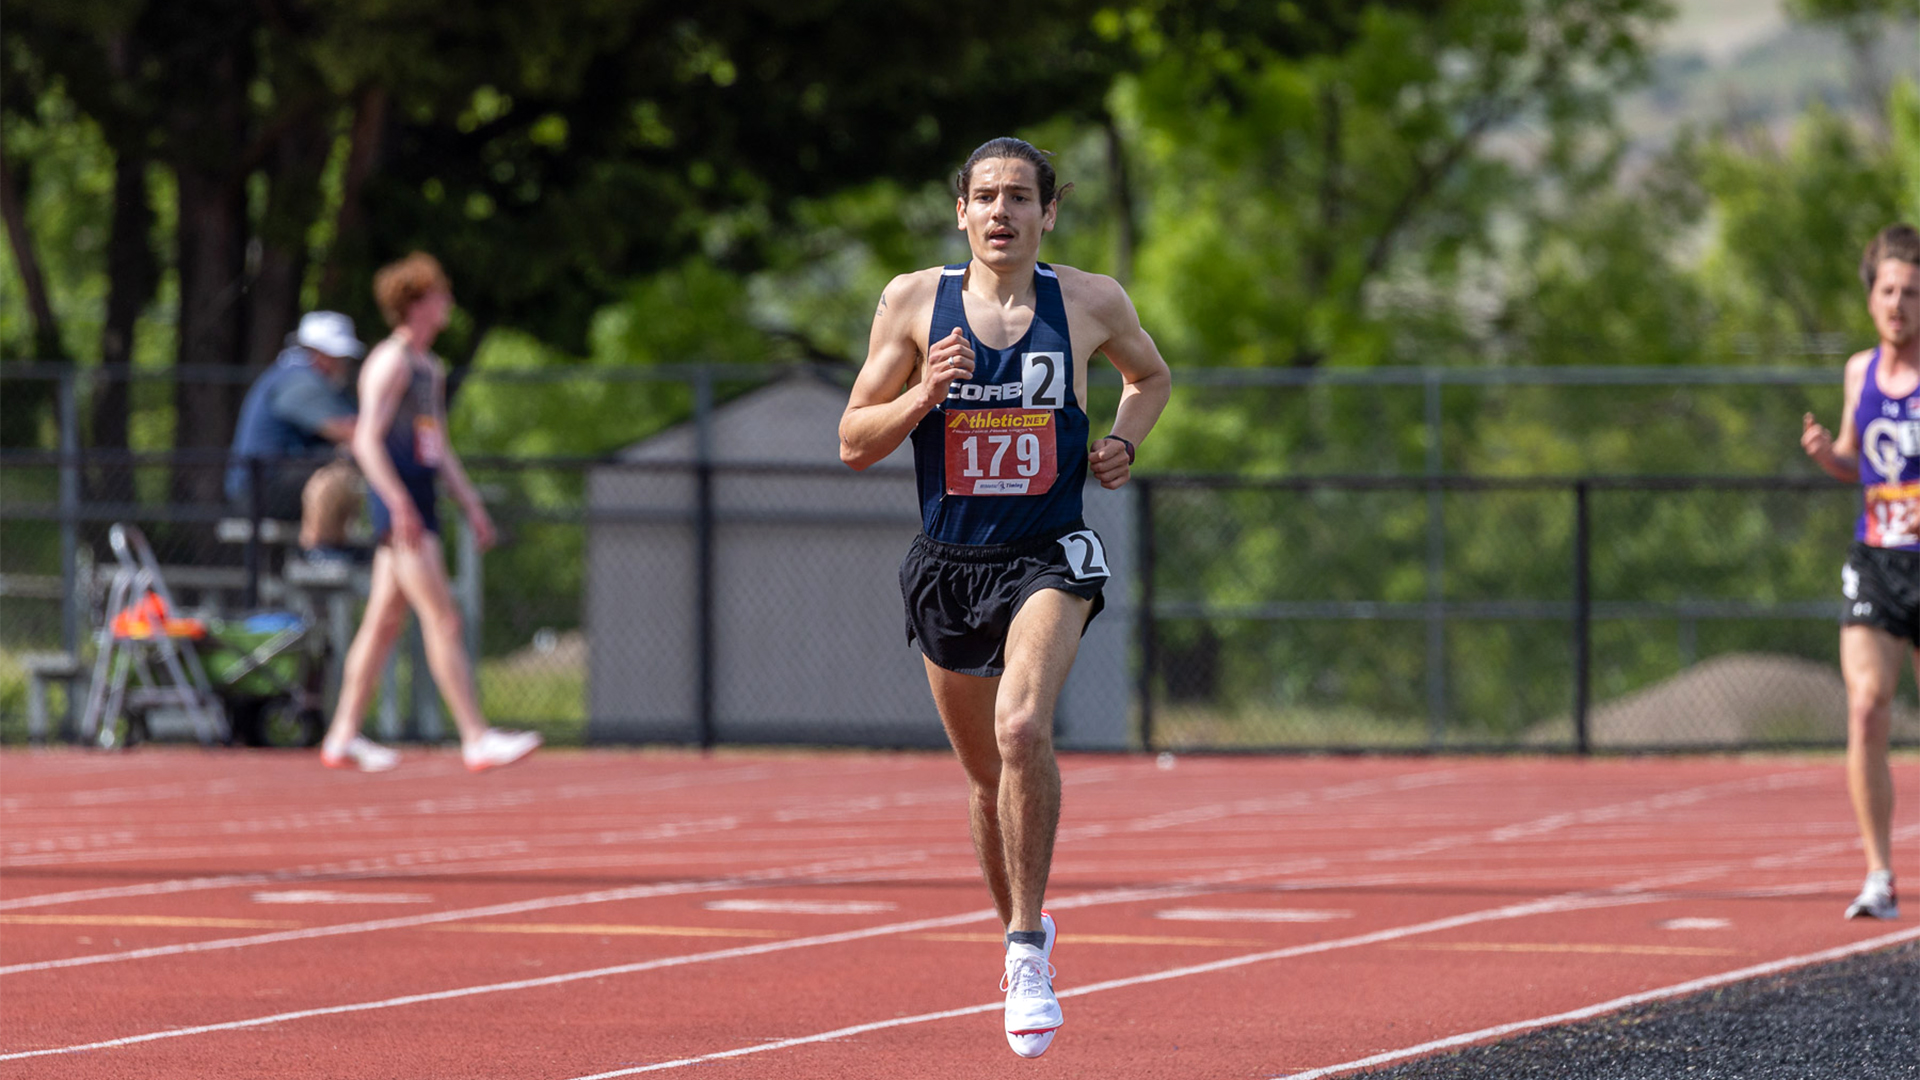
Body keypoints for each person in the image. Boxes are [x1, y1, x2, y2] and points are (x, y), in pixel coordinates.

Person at [839, 138, 1171, 1057]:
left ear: (1047, 213)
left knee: (1023, 729)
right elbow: (852, 440)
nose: (1000, 212)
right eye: (984, 197)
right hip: (949, 564)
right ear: (961, 212)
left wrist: (1123, 443)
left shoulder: (1091, 301)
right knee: (989, 778)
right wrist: (922, 397)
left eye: (1019, 197)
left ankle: (1027, 949)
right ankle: (1020, 925)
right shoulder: (912, 301)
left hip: (1047, 555)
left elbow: (1152, 377)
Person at [318, 252, 541, 774]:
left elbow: (437, 445)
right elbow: (367, 442)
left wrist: (471, 506)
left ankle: (342, 733)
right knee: (443, 617)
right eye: (440, 295)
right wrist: (396, 503)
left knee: (383, 623)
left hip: (421, 501)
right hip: (402, 507)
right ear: (416, 302)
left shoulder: (428, 368)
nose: (449, 304)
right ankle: (474, 735)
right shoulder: (389, 363)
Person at [1800, 222, 1920, 921]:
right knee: (1866, 705)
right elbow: (1854, 458)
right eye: (1888, 291)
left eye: (1911, 292)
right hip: (1876, 560)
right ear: (1871, 298)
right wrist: (1827, 457)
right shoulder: (1857, 372)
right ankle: (1879, 873)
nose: (1898, 304)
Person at [226, 310, 363, 553]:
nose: (344, 363)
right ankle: (322, 554)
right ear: (317, 353)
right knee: (338, 475)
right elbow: (351, 431)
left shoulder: (295, 374)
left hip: (266, 484)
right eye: (338, 355)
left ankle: (331, 552)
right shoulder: (299, 380)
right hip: (260, 490)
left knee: (341, 468)